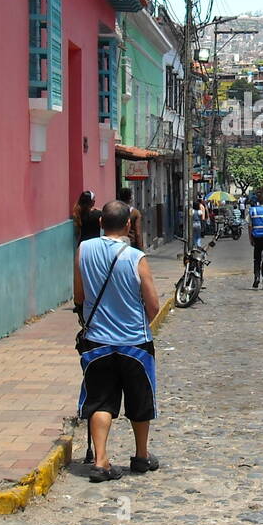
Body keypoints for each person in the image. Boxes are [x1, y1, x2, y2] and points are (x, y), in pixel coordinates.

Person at [73, 200, 161, 482]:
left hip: (97, 342)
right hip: (135, 343)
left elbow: (79, 296)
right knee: (139, 400)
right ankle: (141, 456)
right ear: (127, 225)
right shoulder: (136, 257)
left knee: (100, 401)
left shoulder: (83, 250)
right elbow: (153, 305)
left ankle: (100, 461)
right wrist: (140, 324)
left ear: (100, 223)